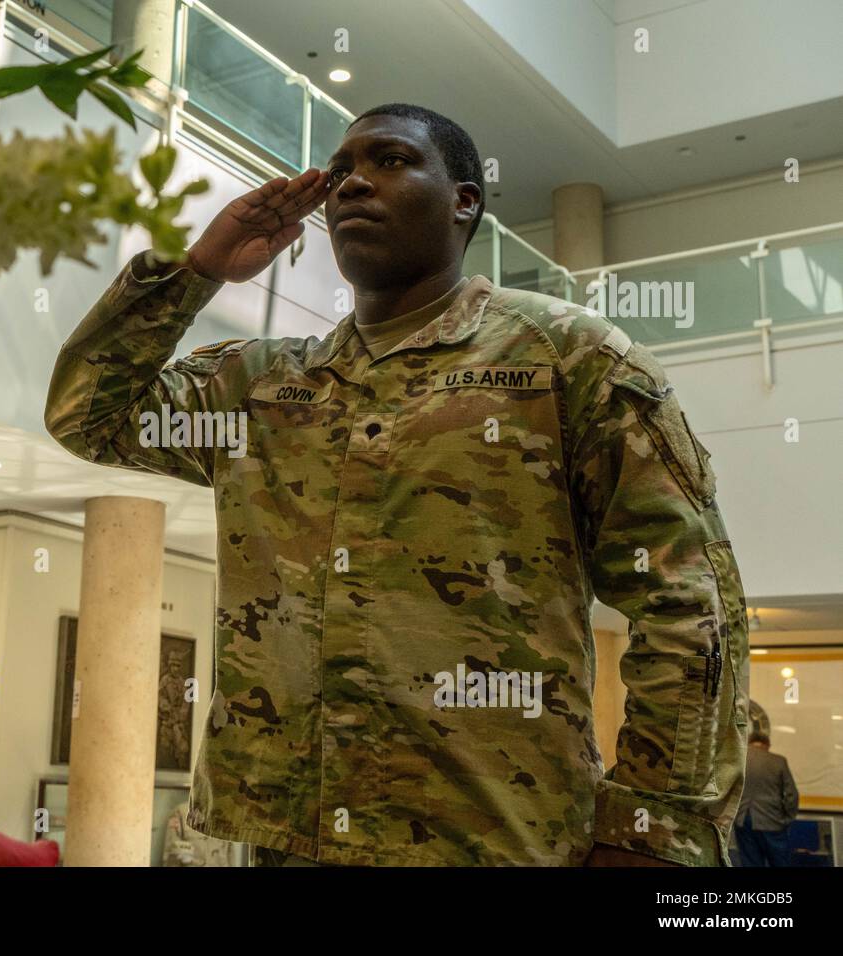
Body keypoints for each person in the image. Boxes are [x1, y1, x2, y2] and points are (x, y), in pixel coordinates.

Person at [44, 103, 749, 866]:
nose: (351, 185)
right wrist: (197, 272)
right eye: (341, 171)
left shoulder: (570, 360)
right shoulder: (261, 386)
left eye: (389, 161)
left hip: (491, 839)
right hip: (283, 836)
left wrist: (651, 833)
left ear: (464, 201)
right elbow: (91, 416)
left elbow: (689, 601)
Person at [734, 701, 798, 866]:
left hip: (742, 820)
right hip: (771, 821)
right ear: (767, 745)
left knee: (750, 863)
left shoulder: (740, 760)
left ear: (750, 743)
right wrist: (787, 818)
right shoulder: (778, 761)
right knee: (779, 862)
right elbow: (791, 795)